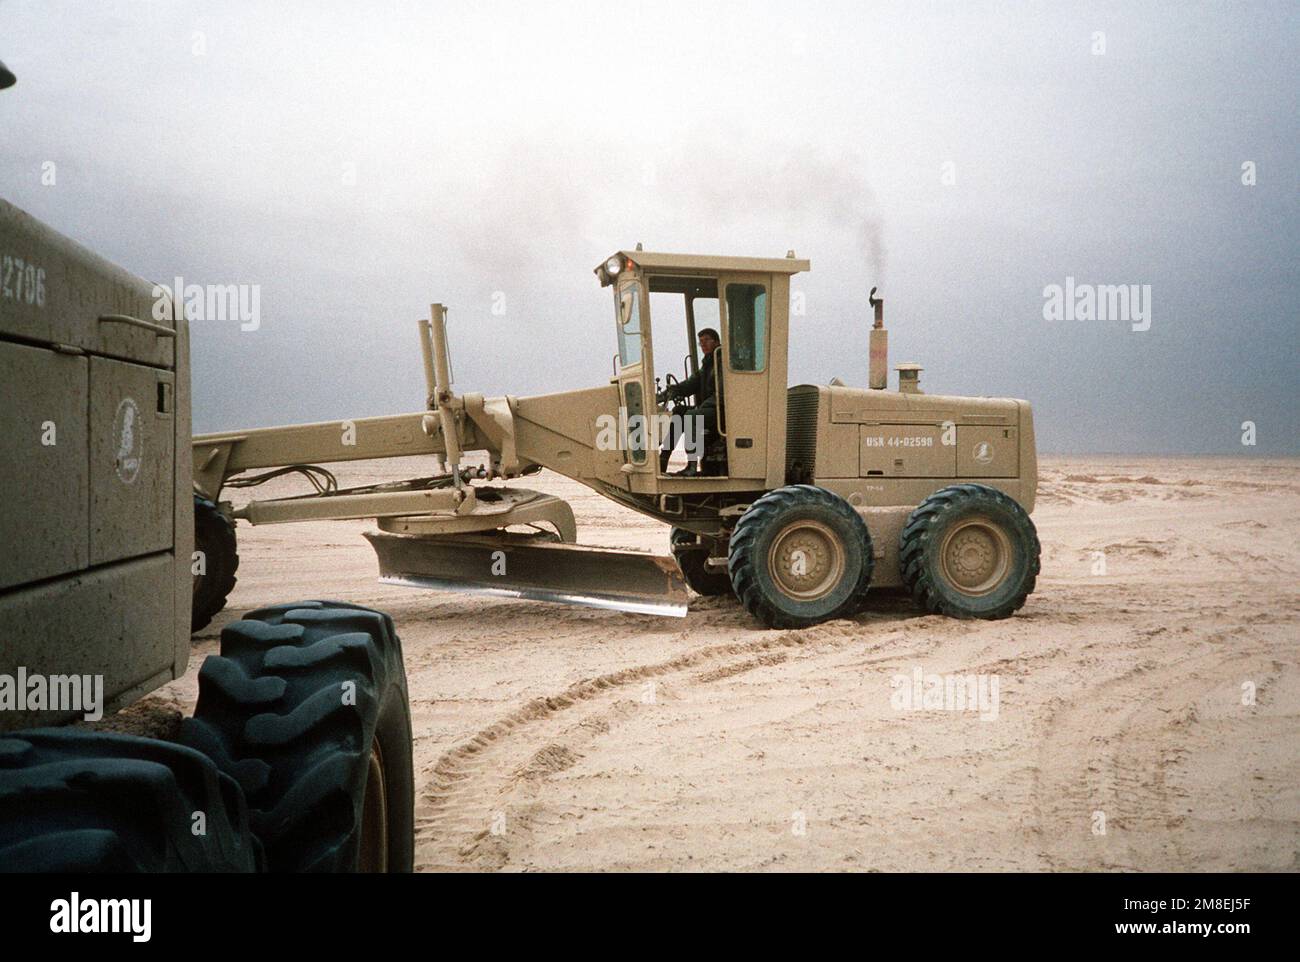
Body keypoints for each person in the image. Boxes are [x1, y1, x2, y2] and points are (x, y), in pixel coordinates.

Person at [657, 328, 720, 475]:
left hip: (720, 408)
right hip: (710, 408)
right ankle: (664, 458)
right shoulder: (707, 365)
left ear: (716, 342)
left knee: (691, 416)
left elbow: (722, 394)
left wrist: (701, 408)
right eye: (701, 342)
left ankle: (692, 465)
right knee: (679, 412)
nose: (703, 344)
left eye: (707, 340)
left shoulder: (722, 362)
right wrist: (666, 394)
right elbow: (689, 385)